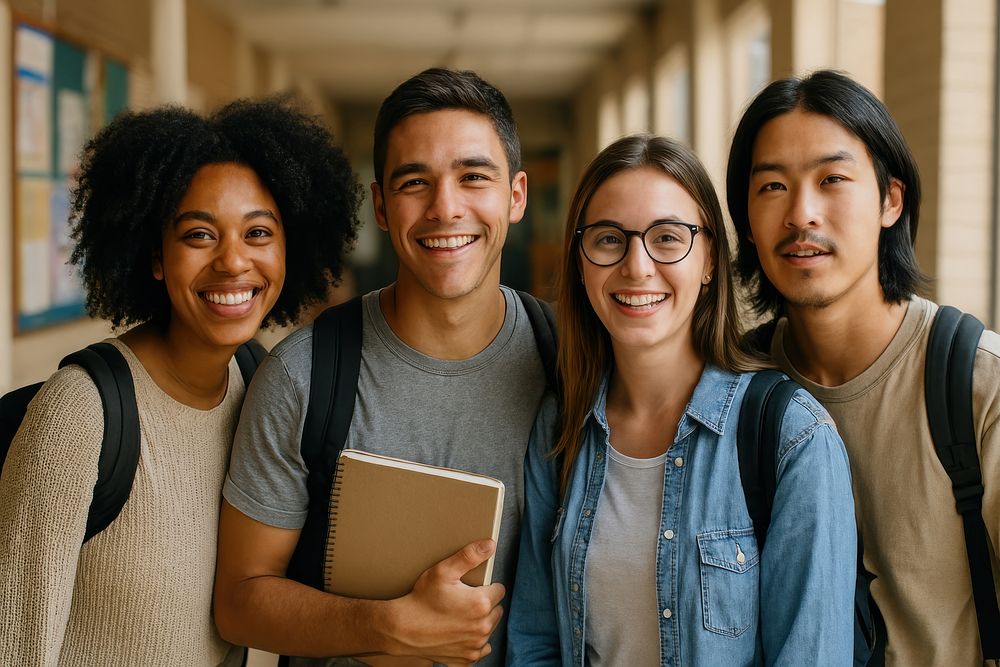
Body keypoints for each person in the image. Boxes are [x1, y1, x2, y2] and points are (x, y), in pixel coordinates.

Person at [0, 98, 362, 665]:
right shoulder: (81, 414)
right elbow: (14, 645)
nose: (234, 262)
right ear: (156, 256)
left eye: (259, 232)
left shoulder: (260, 385)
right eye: (199, 235)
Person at [213, 68, 547, 665]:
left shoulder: (571, 361)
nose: (446, 209)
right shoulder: (304, 377)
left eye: (474, 177)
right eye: (415, 181)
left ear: (515, 196)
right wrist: (385, 627)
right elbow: (240, 601)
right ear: (381, 206)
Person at [507, 134, 857, 665]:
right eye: (608, 239)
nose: (637, 266)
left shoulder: (793, 437)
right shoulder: (562, 426)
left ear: (710, 260)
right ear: (580, 261)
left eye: (668, 238)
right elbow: (535, 641)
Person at [725, 69, 1000, 666]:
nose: (802, 214)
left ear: (890, 201)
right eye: (772, 186)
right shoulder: (730, 392)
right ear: (745, 218)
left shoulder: (978, 385)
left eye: (833, 180)